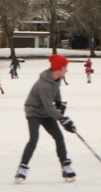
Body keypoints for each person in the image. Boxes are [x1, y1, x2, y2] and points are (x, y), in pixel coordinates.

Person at [15, 54, 77, 183]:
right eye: (65, 67)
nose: (66, 70)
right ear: (58, 68)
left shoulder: (56, 78)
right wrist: (63, 119)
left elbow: (56, 92)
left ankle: (66, 167)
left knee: (59, 137)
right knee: (34, 139)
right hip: (34, 112)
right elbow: (49, 107)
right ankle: (22, 168)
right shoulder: (44, 85)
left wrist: (59, 103)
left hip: (46, 113)